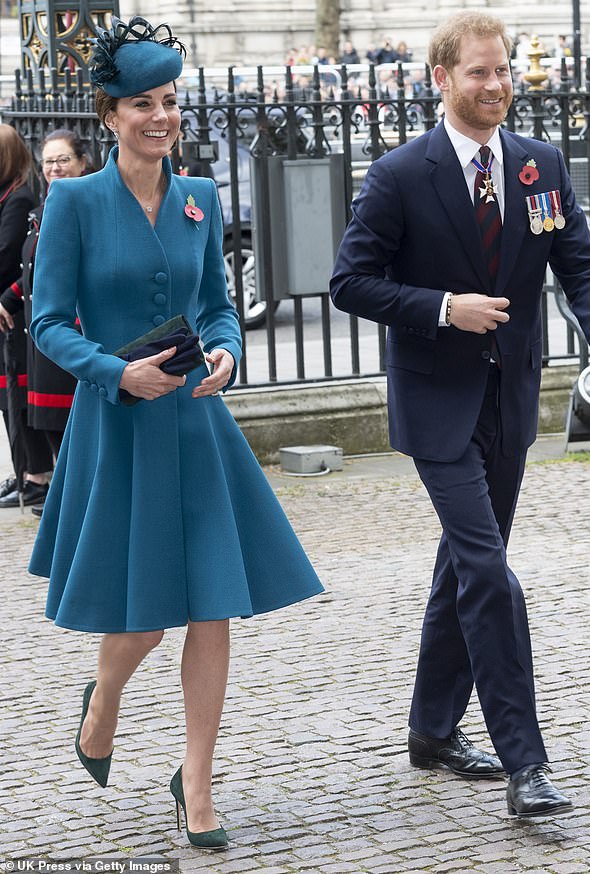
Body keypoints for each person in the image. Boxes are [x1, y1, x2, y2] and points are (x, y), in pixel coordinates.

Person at [28, 15, 323, 850]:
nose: (161, 117)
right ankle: (106, 698)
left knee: (212, 608)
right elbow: (48, 324)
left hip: (196, 424)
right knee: (143, 623)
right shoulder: (76, 201)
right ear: (111, 116)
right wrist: (114, 371)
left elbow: (220, 309)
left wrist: (226, 346)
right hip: (118, 427)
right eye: (143, 104)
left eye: (170, 102)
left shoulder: (201, 198)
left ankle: (196, 784)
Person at [330, 11, 590, 818]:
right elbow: (349, 283)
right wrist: (440, 308)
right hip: (436, 402)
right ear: (441, 79)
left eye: (503, 72)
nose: (496, 85)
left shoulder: (538, 163)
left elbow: (583, 264)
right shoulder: (399, 175)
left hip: (512, 400)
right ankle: (524, 764)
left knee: (465, 568)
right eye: (478, 73)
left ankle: (431, 731)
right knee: (490, 572)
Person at [0, 129, 89, 515]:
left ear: (83, 162)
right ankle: (63, 492)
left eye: (63, 159)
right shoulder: (45, 207)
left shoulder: (87, 203)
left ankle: (75, 497)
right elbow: (32, 267)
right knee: (49, 419)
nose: (55, 167)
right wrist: (10, 298)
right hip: (43, 327)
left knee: (70, 419)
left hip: (72, 328)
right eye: (49, 161)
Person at [0, 125, 40, 507]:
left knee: (17, 398)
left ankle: (34, 476)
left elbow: (7, 255)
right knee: (8, 399)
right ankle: (24, 472)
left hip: (13, 313)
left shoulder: (18, 198)